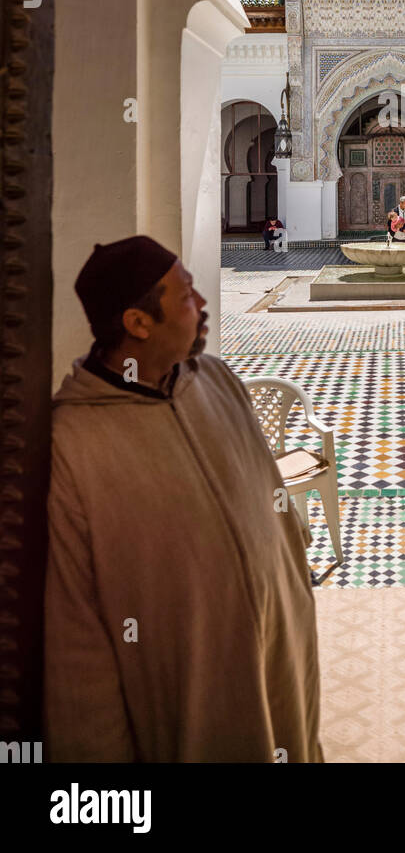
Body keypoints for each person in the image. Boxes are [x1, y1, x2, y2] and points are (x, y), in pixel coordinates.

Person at [43, 235, 323, 763]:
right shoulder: (76, 444)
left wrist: (292, 571)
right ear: (138, 323)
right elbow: (77, 640)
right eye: (187, 295)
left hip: (280, 655)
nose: (203, 306)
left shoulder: (215, 381)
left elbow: (271, 495)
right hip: (195, 693)